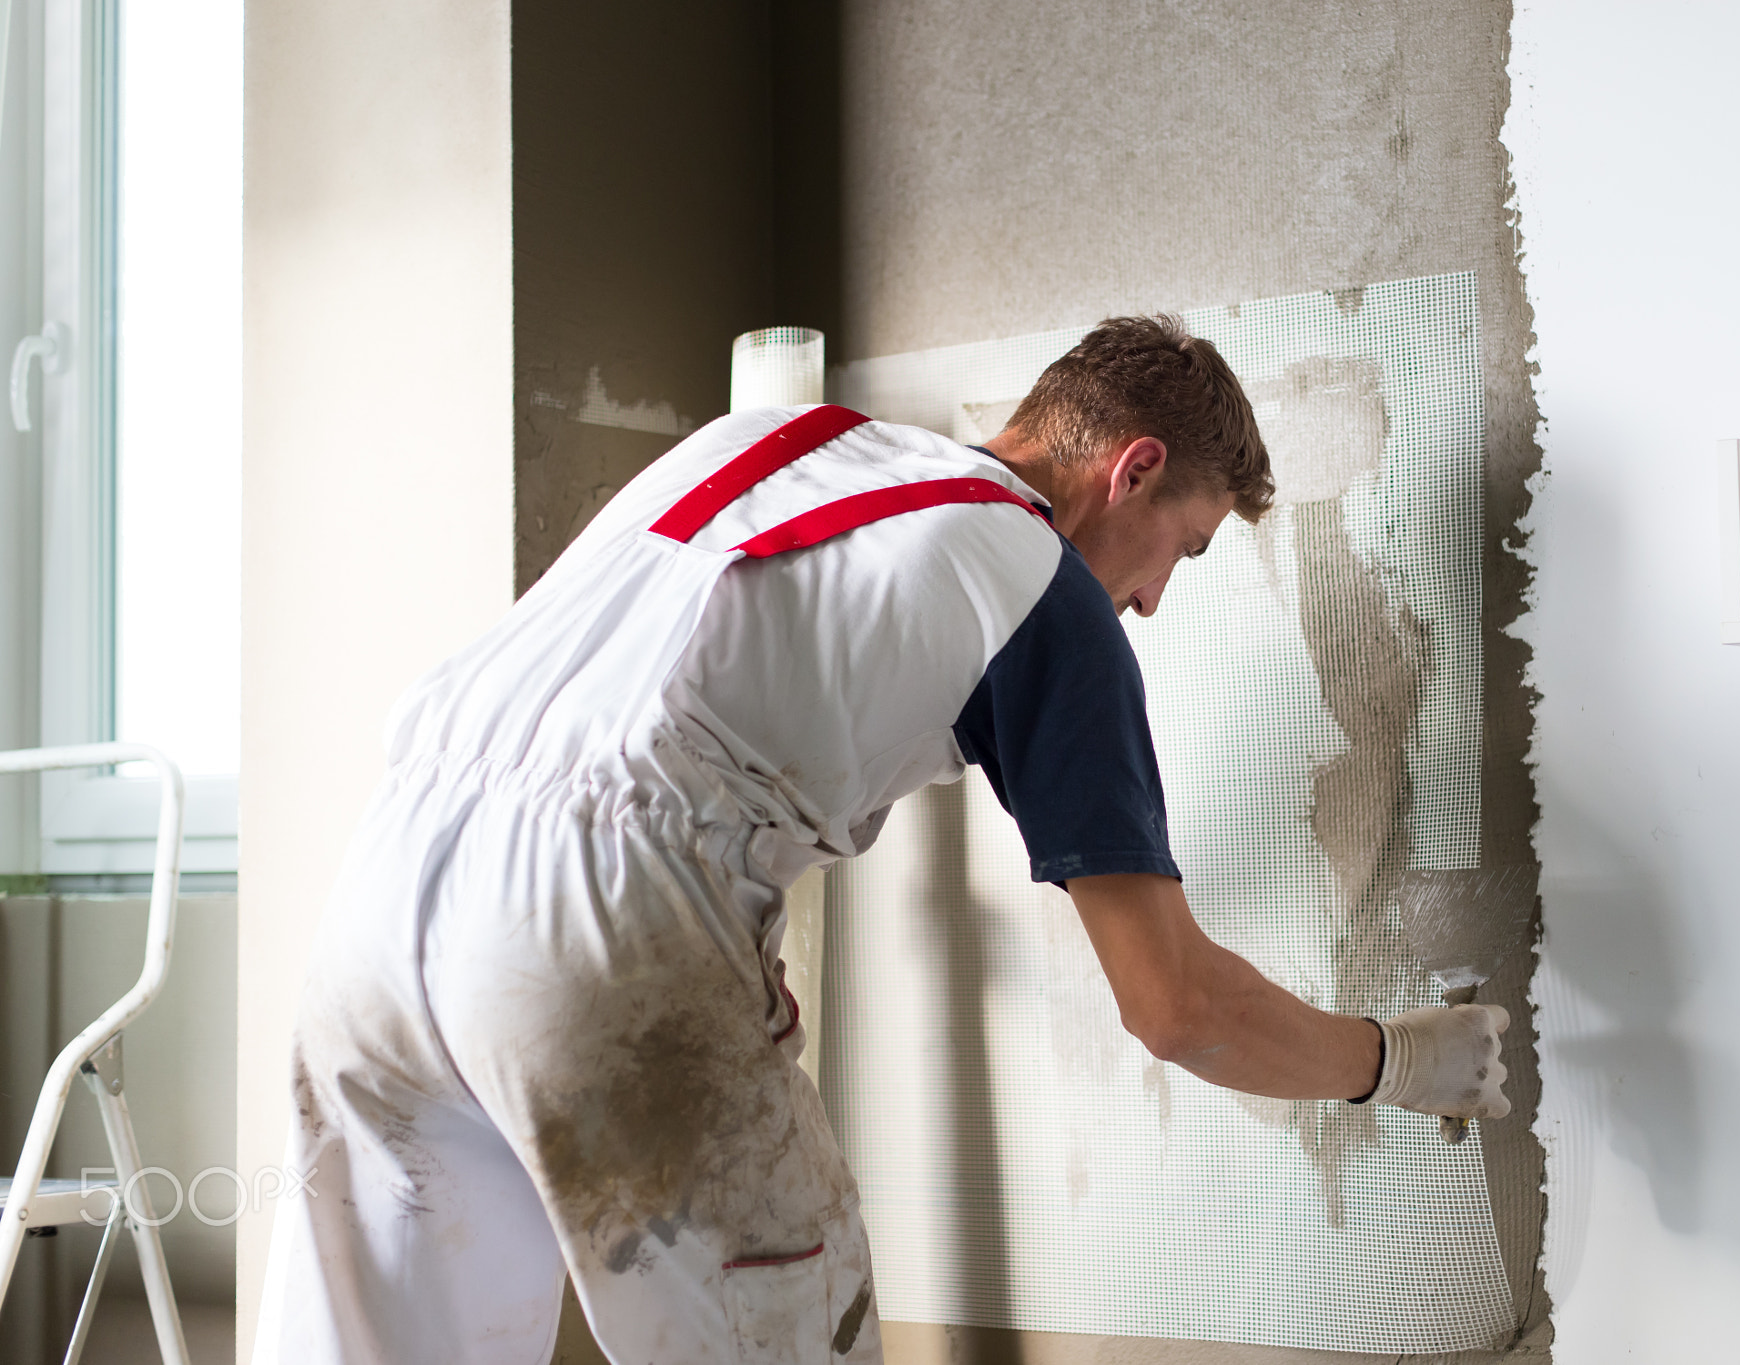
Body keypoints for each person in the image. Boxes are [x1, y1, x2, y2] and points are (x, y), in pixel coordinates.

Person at [254, 315, 1512, 1365]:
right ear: (1130, 469)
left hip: (379, 895)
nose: (1151, 600)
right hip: (597, 926)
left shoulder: (768, 445)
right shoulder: (1038, 586)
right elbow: (1174, 1005)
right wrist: (1393, 1063)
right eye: (1178, 547)